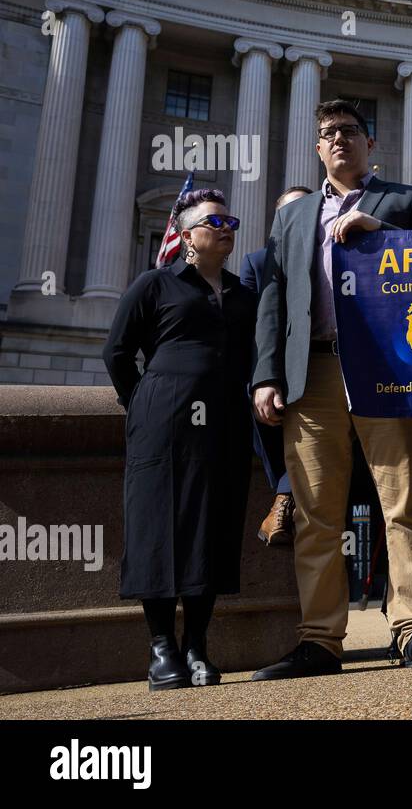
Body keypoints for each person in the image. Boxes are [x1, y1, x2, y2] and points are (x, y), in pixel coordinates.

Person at [250, 99, 412, 679]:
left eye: (350, 131)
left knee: (403, 502)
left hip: (387, 368)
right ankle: (320, 640)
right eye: (327, 133)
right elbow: (273, 298)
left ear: (371, 146)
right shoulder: (293, 218)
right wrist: (266, 374)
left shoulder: (406, 199)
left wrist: (382, 233)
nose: (338, 139)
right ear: (317, 149)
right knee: (316, 512)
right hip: (311, 371)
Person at [103, 189, 257, 690]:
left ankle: (196, 646)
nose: (226, 227)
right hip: (161, 424)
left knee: (209, 530)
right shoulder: (155, 284)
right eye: (215, 222)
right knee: (157, 529)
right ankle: (161, 649)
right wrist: (143, 402)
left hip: (224, 423)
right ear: (187, 236)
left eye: (230, 221)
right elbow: (117, 352)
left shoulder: (242, 294)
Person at [241, 185, 312, 546]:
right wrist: (266, 379)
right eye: (289, 212)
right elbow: (255, 327)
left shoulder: (333, 260)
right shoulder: (255, 263)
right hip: (278, 372)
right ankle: (284, 495)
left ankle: (283, 500)